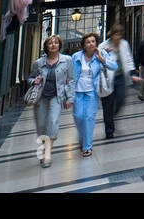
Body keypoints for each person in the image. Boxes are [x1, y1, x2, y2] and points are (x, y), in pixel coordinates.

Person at [29, 34, 74, 167]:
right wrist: (34, 81)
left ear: (59, 45)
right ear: (46, 47)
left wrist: (70, 98)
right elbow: (30, 78)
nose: (53, 45)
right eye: (50, 43)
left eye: (56, 43)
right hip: (41, 97)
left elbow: (71, 80)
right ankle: (44, 148)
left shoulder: (67, 60)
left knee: (53, 122)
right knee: (42, 125)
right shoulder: (38, 63)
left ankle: (47, 153)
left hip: (57, 96)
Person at [72, 33, 116, 157]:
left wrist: (102, 59)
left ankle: (87, 146)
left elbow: (114, 66)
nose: (91, 44)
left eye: (93, 41)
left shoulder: (101, 54)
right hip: (77, 91)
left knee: (89, 118)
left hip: (92, 91)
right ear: (84, 45)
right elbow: (70, 76)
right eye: (88, 42)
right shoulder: (76, 57)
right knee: (78, 116)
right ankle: (83, 137)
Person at [99, 25, 140, 139]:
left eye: (120, 34)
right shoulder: (103, 46)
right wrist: (104, 53)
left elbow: (128, 59)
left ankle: (112, 117)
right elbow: (98, 61)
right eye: (116, 34)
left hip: (121, 78)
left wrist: (132, 74)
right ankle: (109, 131)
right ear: (111, 35)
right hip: (108, 79)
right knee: (108, 105)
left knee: (121, 99)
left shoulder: (124, 44)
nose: (118, 37)